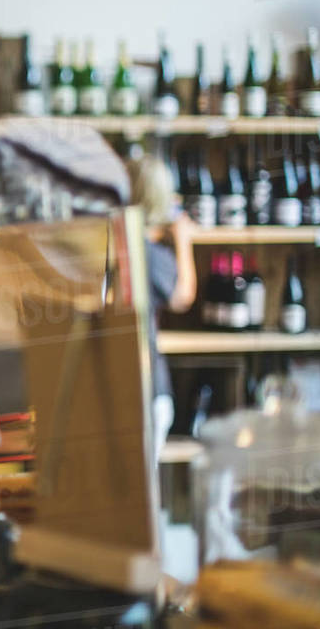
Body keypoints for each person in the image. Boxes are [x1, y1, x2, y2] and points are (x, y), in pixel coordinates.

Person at [127, 154, 197, 455]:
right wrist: (183, 240)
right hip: (148, 385)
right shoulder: (151, 254)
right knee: (143, 490)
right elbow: (182, 297)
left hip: (116, 384)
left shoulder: (113, 245)